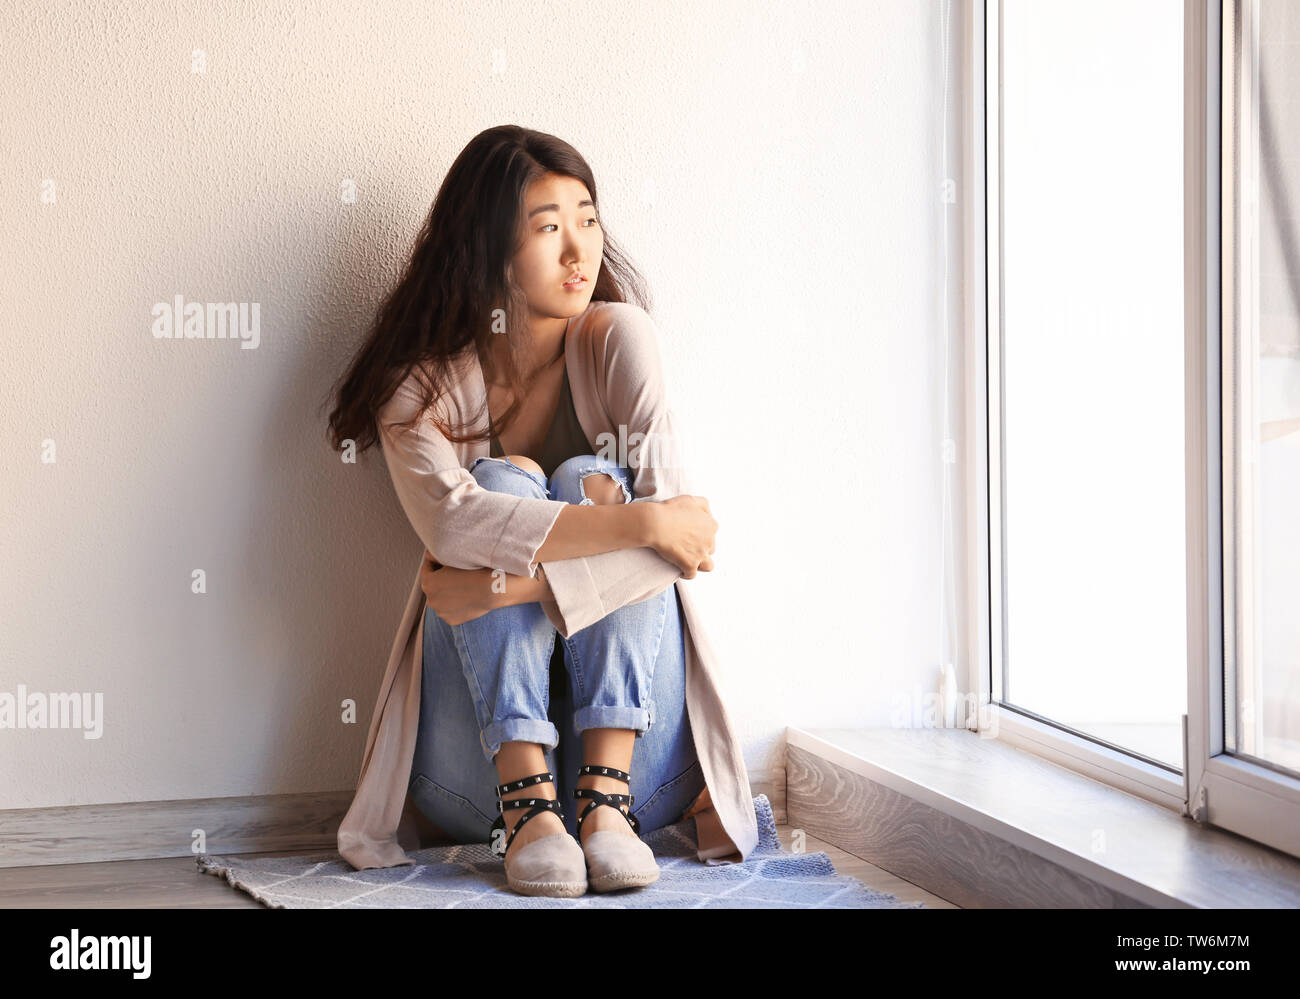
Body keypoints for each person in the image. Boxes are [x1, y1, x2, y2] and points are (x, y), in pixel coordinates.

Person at [325, 125, 757, 897]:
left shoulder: (619, 341)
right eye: (549, 227)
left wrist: (516, 586)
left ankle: (603, 800)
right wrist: (639, 524)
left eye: (588, 220)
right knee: (507, 480)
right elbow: (459, 526)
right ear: (488, 247)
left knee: (592, 474)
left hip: (643, 776)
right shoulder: (419, 384)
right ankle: (528, 807)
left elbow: (686, 542)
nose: (578, 251)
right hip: (471, 784)